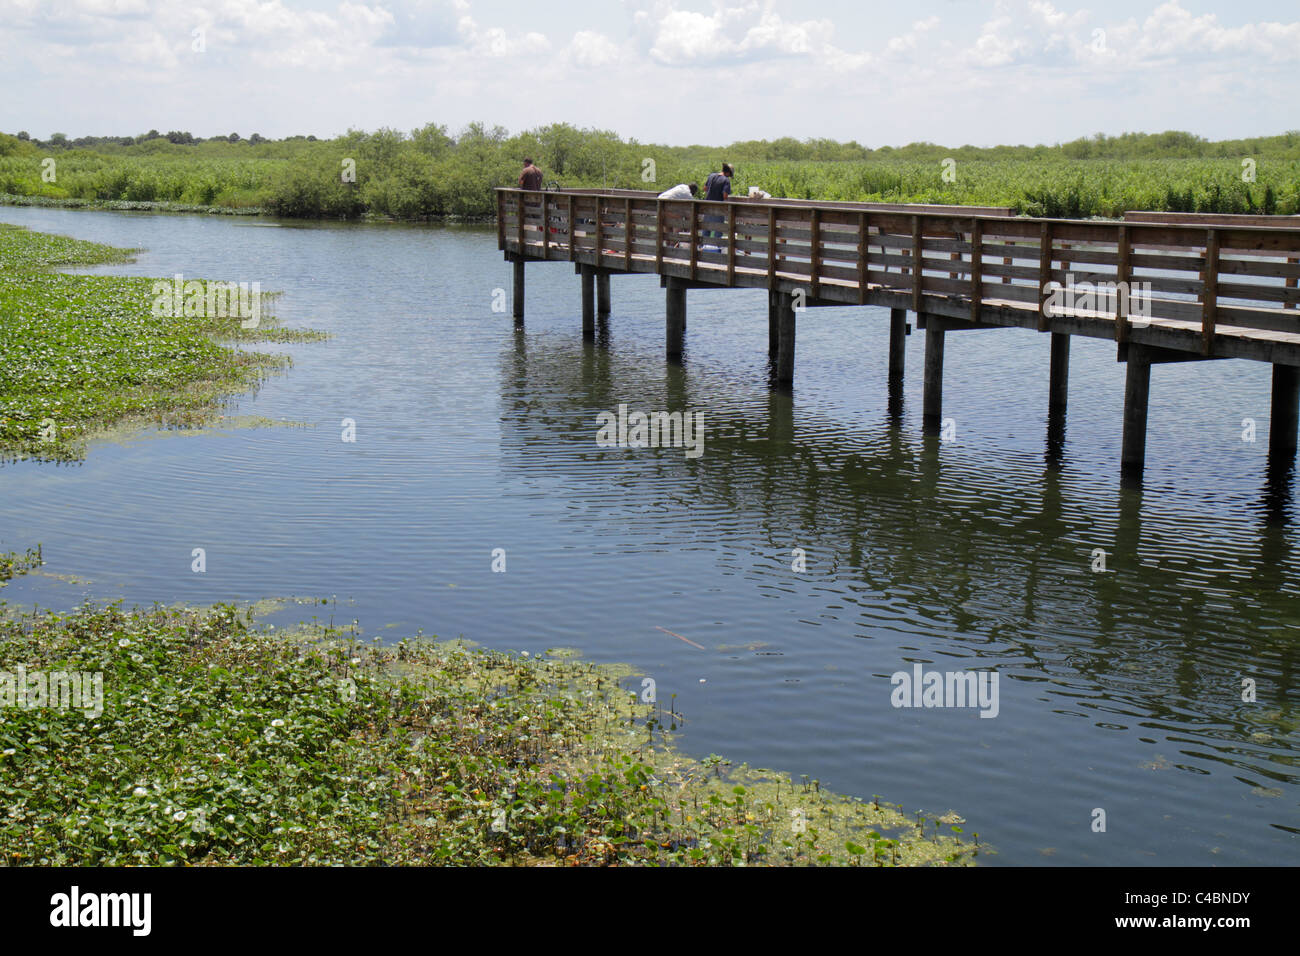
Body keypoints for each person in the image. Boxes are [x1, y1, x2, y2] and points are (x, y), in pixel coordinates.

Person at [702, 163, 732, 247]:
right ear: (728, 173)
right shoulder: (726, 180)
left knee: (706, 229)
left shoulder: (711, 175)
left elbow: (705, 188)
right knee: (718, 229)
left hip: (707, 206)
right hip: (718, 208)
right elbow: (725, 195)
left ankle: (703, 248)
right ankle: (716, 250)